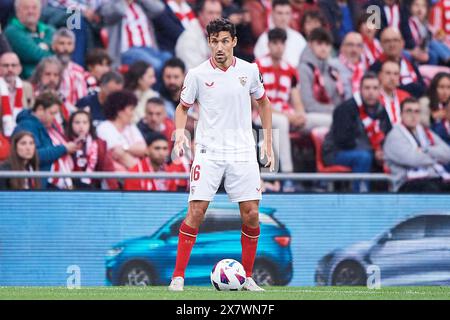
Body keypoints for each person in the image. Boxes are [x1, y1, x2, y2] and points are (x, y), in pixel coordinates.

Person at [168, 18, 274, 292]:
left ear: (234, 42)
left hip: (242, 151)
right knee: (196, 211)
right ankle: (178, 277)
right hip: (208, 151)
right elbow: (182, 108)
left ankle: (247, 276)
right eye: (214, 41)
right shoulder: (197, 74)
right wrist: (180, 133)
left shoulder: (250, 71)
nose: (219, 46)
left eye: (225, 40)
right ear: (209, 43)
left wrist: (267, 142)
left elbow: (263, 103)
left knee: (251, 213)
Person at [322, 72, 392, 192]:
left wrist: (381, 151)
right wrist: (373, 151)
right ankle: (360, 195)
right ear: (360, 89)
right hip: (335, 153)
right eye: (367, 88)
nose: (371, 92)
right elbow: (343, 141)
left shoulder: (381, 110)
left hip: (370, 152)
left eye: (375, 88)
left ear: (380, 90)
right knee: (364, 157)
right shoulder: (345, 109)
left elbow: (388, 134)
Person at [255, 28, 304, 185]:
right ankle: (288, 175)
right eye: (275, 43)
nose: (279, 47)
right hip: (260, 115)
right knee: (281, 122)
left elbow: (296, 100)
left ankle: (323, 179)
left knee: (318, 121)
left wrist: (300, 114)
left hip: (285, 113)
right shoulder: (256, 67)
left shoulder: (290, 69)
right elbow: (256, 104)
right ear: (268, 45)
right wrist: (287, 116)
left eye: (282, 43)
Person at [12, 91, 79, 188]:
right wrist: (63, 149)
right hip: (39, 184)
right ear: (40, 109)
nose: (54, 117)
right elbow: (35, 155)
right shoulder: (27, 126)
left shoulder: (47, 126)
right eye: (52, 113)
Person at [384, 97, 450, 192]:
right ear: (401, 114)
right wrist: (437, 158)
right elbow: (413, 160)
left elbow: (447, 153)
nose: (413, 115)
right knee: (431, 189)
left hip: (430, 178)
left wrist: (425, 150)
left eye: (416, 111)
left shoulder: (425, 132)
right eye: (409, 111)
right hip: (405, 183)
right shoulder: (394, 136)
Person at [98, 0, 171, 75]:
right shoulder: (110, 5)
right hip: (128, 51)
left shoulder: (140, 5)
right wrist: (125, 2)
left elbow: (159, 8)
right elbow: (118, 11)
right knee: (156, 66)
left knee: (170, 61)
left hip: (150, 49)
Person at [298, 27, 344, 129]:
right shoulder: (304, 69)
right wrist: (335, 110)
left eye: (327, 45)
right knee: (339, 123)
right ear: (310, 44)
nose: (323, 48)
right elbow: (307, 105)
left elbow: (337, 100)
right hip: (306, 116)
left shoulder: (332, 71)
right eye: (319, 44)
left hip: (327, 114)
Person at [96, 90, 147, 171]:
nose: (133, 113)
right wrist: (141, 172)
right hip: (116, 174)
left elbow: (144, 149)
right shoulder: (105, 127)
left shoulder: (131, 127)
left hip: (135, 172)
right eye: (131, 109)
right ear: (119, 111)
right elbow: (118, 154)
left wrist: (125, 148)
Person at [66, 110, 118, 190]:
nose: (81, 126)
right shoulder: (65, 142)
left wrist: (114, 189)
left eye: (85, 122)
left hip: (93, 186)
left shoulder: (100, 144)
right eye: (77, 122)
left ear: (90, 125)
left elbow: (108, 167)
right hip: (70, 186)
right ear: (70, 125)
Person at [369, 27, 426, 98]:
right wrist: (412, 87)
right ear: (381, 44)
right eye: (387, 41)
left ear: (402, 43)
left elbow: (423, 87)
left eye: (395, 40)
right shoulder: (375, 68)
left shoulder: (409, 63)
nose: (392, 44)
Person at [4, 0, 55, 79]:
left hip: (51, 79)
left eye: (34, 8)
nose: (30, 11)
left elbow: (60, 49)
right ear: (17, 11)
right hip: (27, 81)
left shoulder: (49, 30)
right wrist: (50, 48)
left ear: (40, 10)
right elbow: (35, 55)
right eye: (26, 8)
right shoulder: (12, 31)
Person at [253, 0, 307, 68]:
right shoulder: (264, 39)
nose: (283, 18)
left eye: (287, 13)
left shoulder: (299, 39)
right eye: (280, 13)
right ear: (272, 13)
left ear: (291, 15)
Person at [175, 0, 223, 70]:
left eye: (218, 13)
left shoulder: (216, 34)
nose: (215, 17)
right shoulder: (189, 38)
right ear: (200, 13)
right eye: (210, 13)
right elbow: (194, 72)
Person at [0, 52, 34, 137]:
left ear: (20, 68)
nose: (10, 69)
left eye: (13, 65)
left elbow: (32, 112)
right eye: (5, 65)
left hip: (22, 135)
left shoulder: (27, 87)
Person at [51, 28, 88, 106]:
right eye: (61, 43)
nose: (65, 48)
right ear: (53, 46)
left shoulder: (78, 71)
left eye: (69, 44)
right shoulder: (46, 68)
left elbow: (82, 99)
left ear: (74, 46)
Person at [331, 32, 367, 100]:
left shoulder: (365, 69)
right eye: (350, 45)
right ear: (342, 47)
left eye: (358, 45)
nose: (354, 49)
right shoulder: (332, 66)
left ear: (362, 49)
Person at [378, 59, 411, 125]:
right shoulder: (374, 97)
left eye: (396, 74)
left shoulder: (405, 96)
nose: (392, 78)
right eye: (388, 73)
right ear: (380, 75)